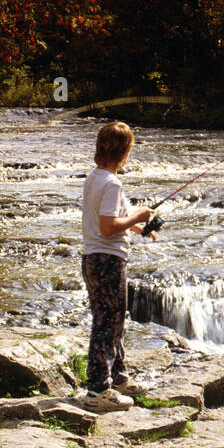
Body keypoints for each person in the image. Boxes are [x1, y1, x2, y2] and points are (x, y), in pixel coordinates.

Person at [80, 121, 157, 412]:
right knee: (107, 324)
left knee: (113, 319)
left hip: (92, 258)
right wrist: (140, 213)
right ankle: (98, 390)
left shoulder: (95, 177)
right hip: (108, 260)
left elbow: (111, 219)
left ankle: (118, 377)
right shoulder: (112, 183)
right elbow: (109, 226)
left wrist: (140, 227)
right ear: (125, 152)